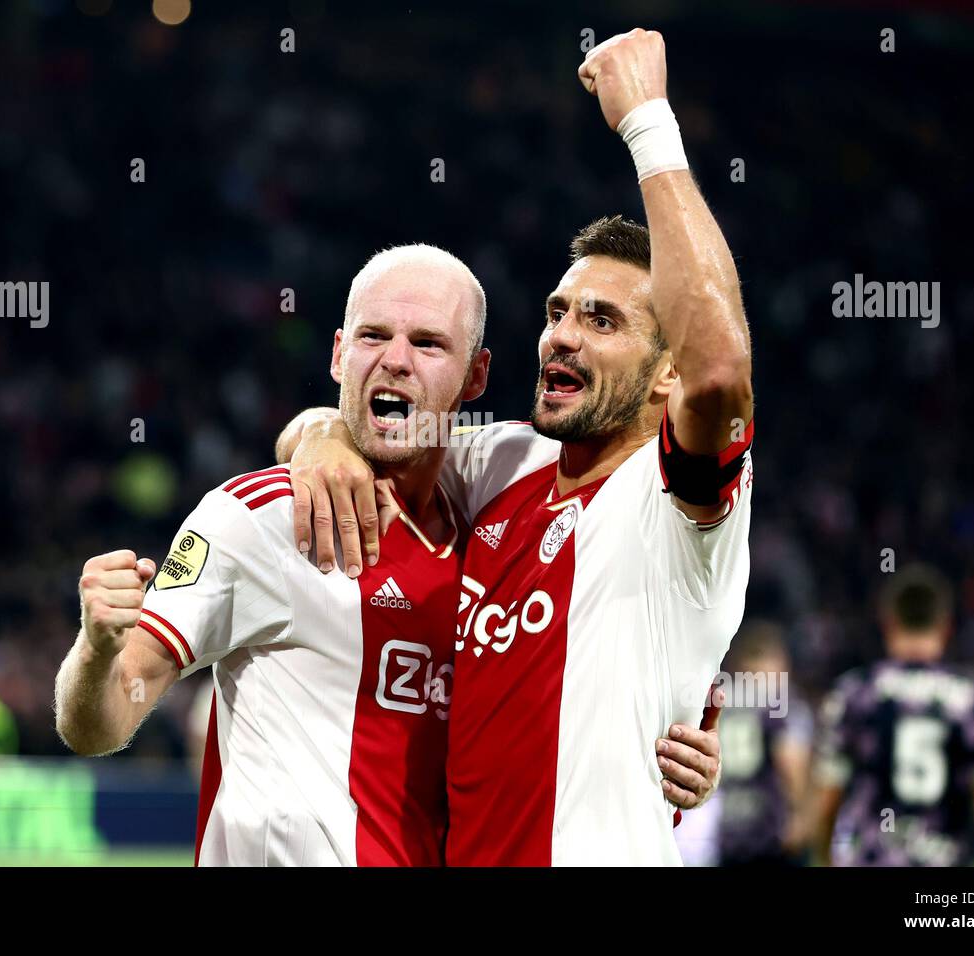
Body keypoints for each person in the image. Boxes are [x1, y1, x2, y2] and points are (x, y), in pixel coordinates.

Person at [54, 244, 717, 866]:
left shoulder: (492, 525)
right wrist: (96, 650)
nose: (395, 360)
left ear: (475, 376)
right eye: (373, 337)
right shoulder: (260, 520)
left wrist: (672, 737)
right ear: (340, 355)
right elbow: (98, 724)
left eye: (428, 344)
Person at [281, 27, 753, 864]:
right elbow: (377, 423)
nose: (561, 338)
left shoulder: (678, 504)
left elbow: (719, 371)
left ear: (663, 378)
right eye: (557, 312)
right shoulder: (503, 463)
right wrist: (321, 436)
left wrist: (648, 121)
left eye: (601, 321)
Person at [811, 564, 974, 866]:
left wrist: (822, 858)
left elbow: (827, 797)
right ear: (946, 627)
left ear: (888, 623)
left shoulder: (854, 694)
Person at [713, 621, 812, 866]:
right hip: (773, 830)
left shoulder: (723, 704)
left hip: (730, 827)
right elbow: (789, 759)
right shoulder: (780, 703)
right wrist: (800, 814)